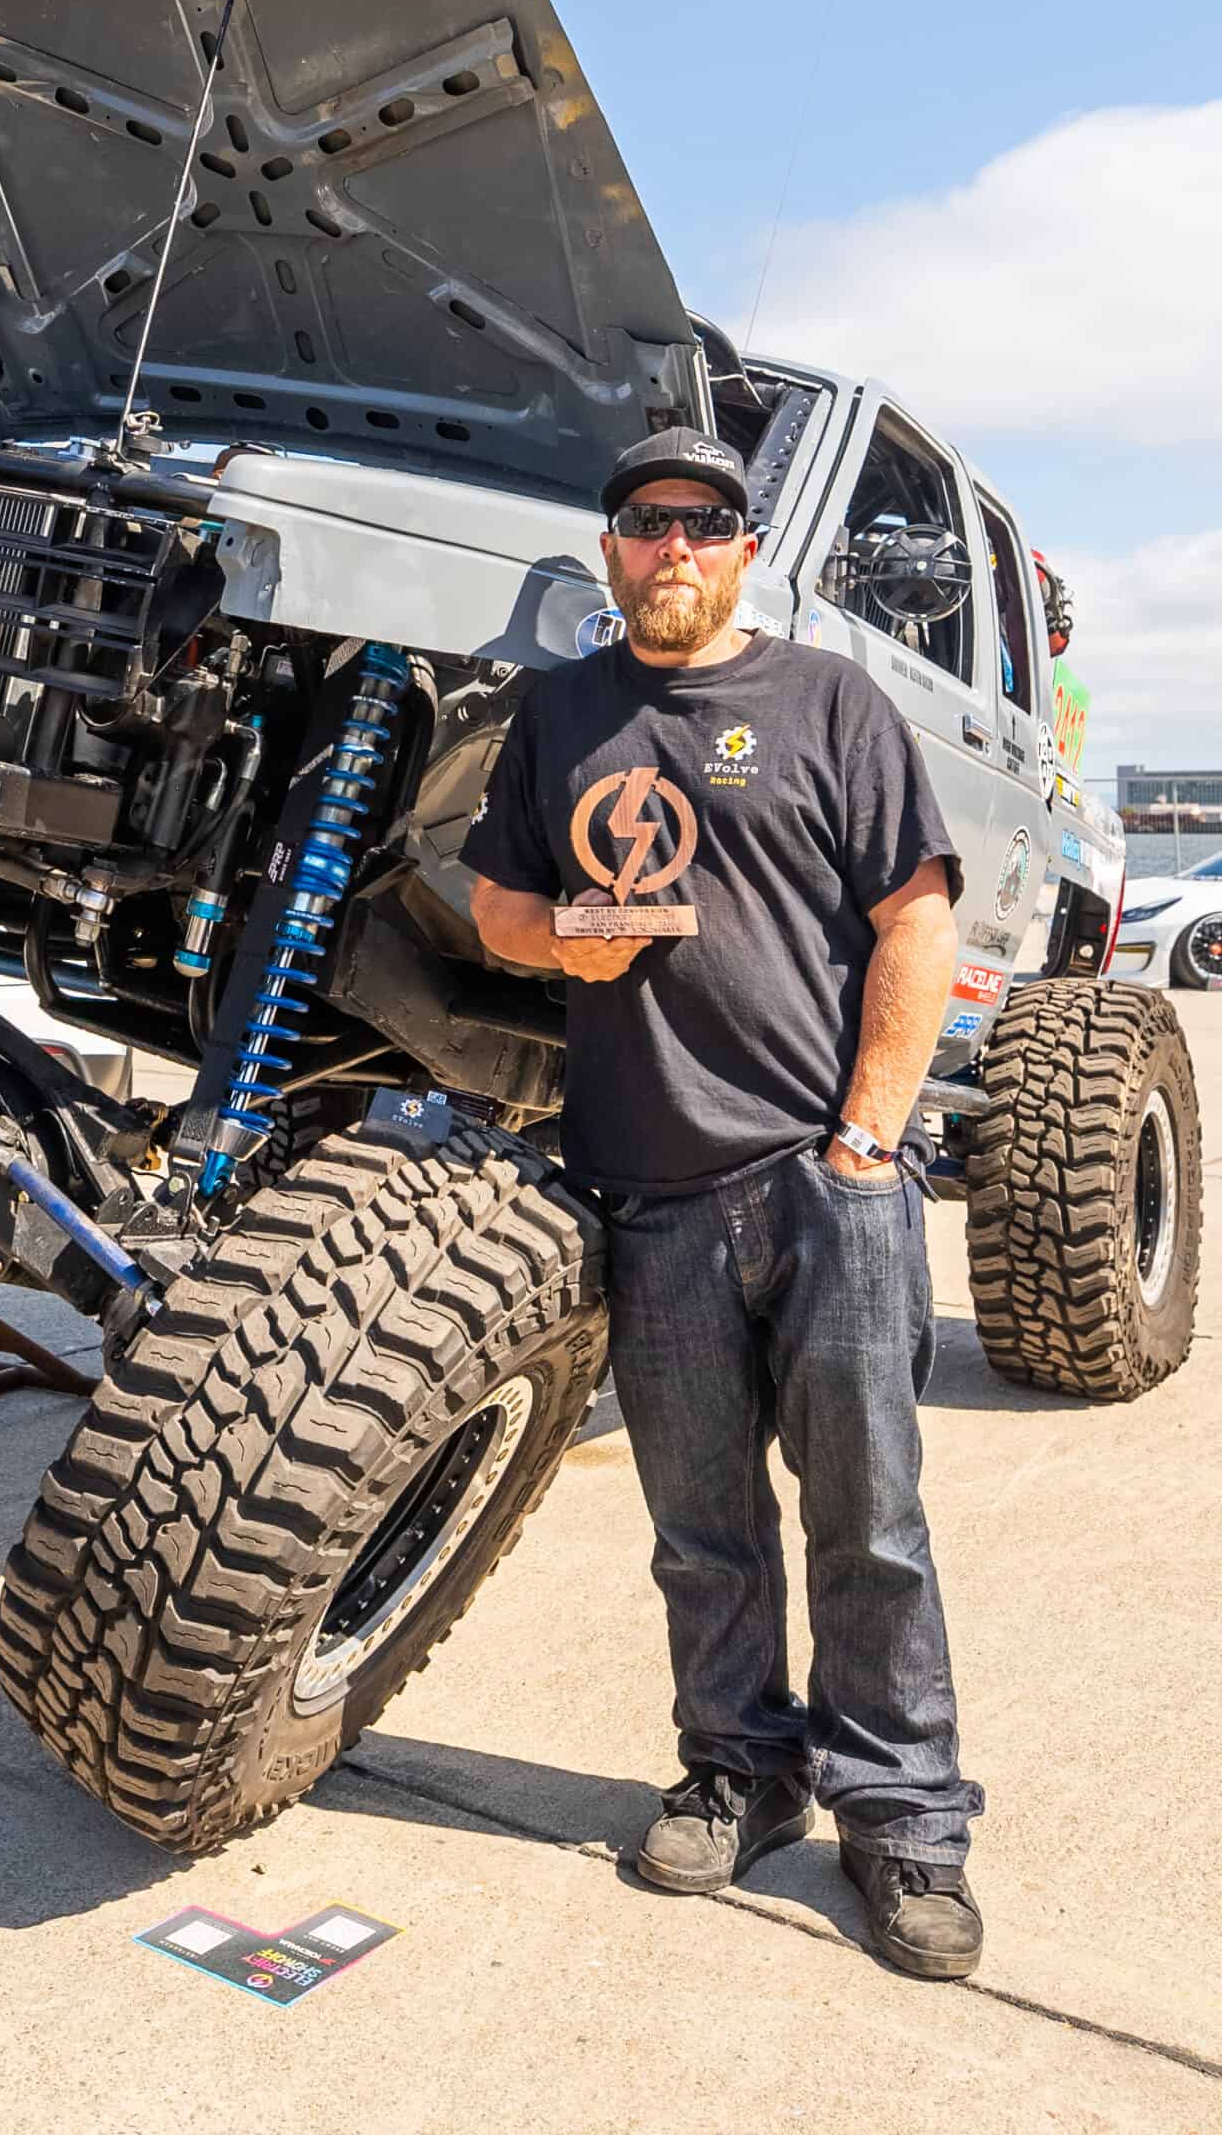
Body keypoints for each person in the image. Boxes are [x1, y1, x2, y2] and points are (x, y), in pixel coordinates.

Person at [462, 425, 985, 1983]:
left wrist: (869, 1142)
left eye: (703, 522)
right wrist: (563, 940)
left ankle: (903, 1827)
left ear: (744, 548)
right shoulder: (561, 714)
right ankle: (741, 1770)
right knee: (702, 1532)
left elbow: (919, 918)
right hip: (650, 1194)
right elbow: (494, 901)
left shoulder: (828, 699)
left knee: (870, 1524)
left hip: (824, 1186)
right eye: (643, 521)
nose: (672, 546)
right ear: (610, 547)